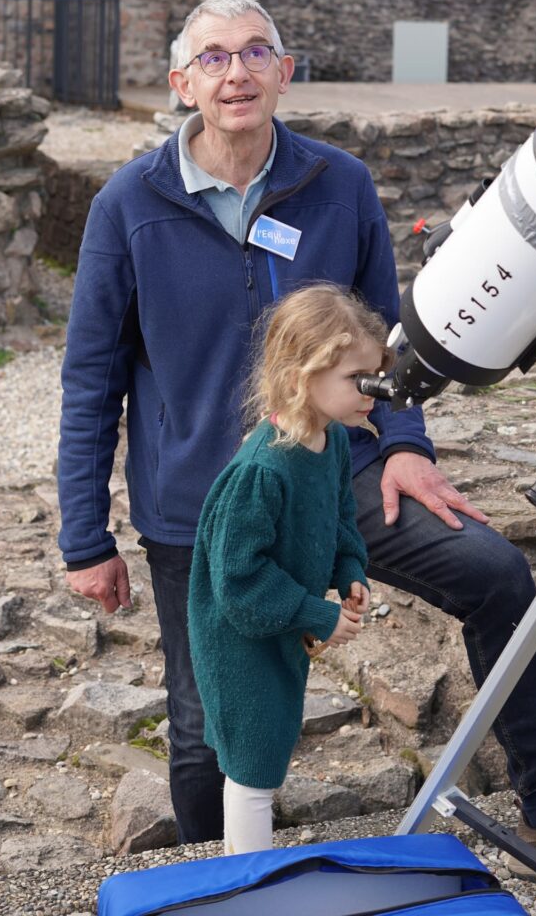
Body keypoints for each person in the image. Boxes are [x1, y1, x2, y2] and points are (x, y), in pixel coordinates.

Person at [57, 0, 536, 861]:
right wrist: (85, 536)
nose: (239, 72)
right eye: (215, 57)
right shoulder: (127, 205)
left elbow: (390, 341)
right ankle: (218, 877)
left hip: (342, 474)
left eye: (258, 52)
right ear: (183, 84)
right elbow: (91, 378)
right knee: (201, 728)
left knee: (495, 575)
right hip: (201, 504)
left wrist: (406, 444)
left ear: (285, 73)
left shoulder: (340, 185)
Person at [188, 284, 379, 855]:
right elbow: (238, 580)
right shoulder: (264, 469)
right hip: (239, 637)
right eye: (356, 379)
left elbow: (342, 519)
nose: (373, 390)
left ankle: (252, 873)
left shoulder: (334, 441)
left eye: (374, 375)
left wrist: (351, 570)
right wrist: (318, 613)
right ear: (301, 375)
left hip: (279, 627)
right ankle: (247, 879)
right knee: (254, 764)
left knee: (270, 746)